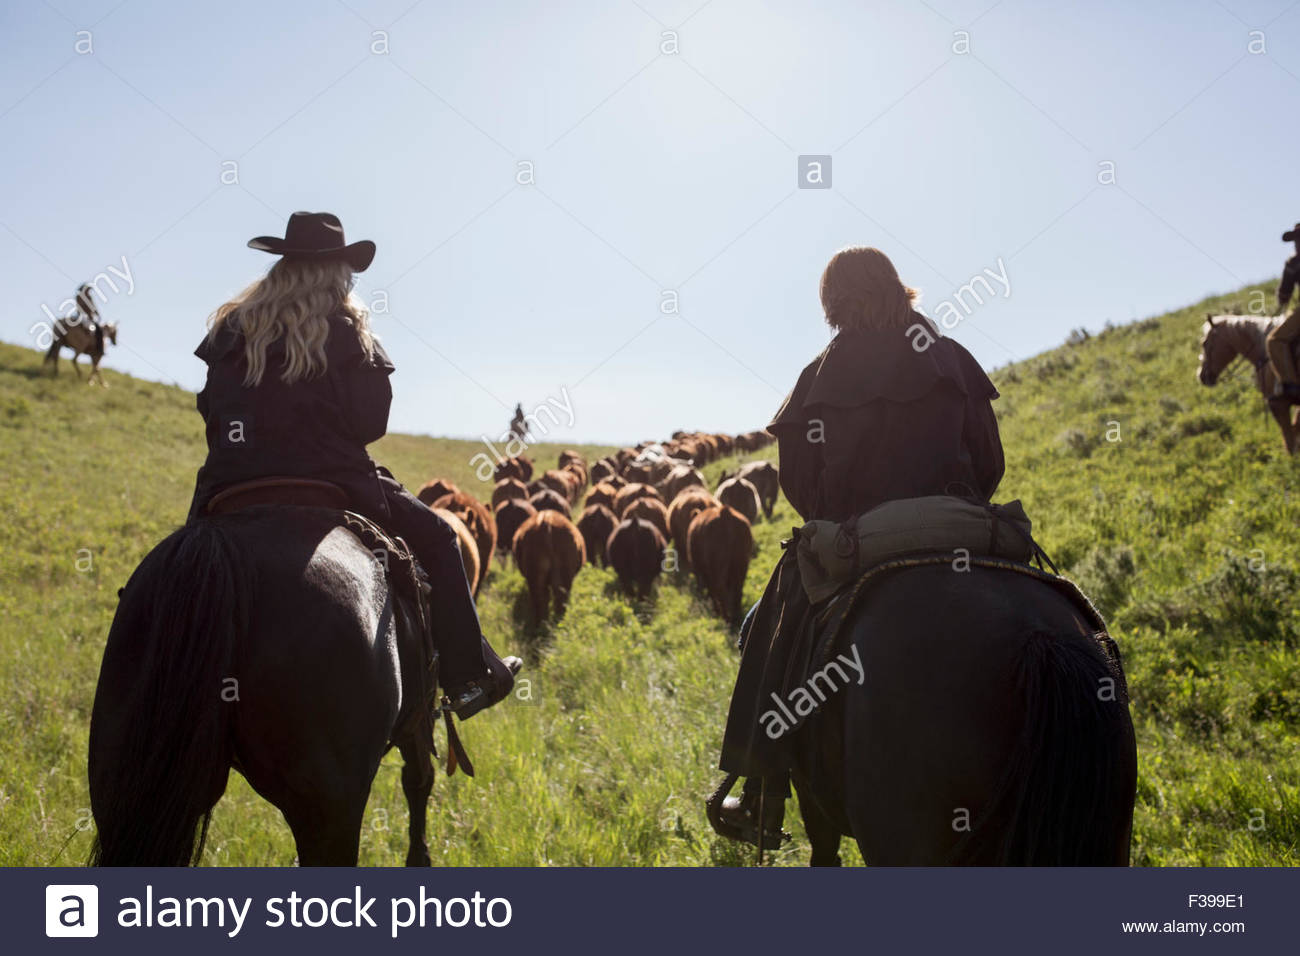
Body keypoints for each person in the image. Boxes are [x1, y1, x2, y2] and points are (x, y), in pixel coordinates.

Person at [715, 246, 1005, 845]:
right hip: (963, 529)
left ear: (833, 303)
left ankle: (758, 789)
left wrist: (846, 512)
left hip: (858, 539)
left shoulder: (821, 376)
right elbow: (992, 464)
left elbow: (799, 487)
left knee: (772, 621)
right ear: (900, 291)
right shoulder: (949, 359)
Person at [188, 211, 519, 719]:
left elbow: (211, 412)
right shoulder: (345, 328)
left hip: (229, 484)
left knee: (180, 562)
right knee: (438, 538)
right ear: (334, 272)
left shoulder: (233, 327)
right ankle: (469, 677)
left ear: (283, 266)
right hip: (332, 481)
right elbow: (370, 425)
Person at [1266, 223, 1300, 402]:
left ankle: (1292, 385)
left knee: (1274, 340)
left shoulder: (1294, 263)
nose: (1297, 244)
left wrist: (1282, 299)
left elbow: (1284, 296)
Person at [75, 281, 105, 354]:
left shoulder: (89, 297)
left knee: (99, 331)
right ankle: (88, 345)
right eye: (87, 290)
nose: (88, 291)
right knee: (91, 330)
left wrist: (97, 314)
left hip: (89, 318)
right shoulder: (79, 297)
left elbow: (93, 307)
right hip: (83, 317)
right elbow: (80, 308)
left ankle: (98, 349)